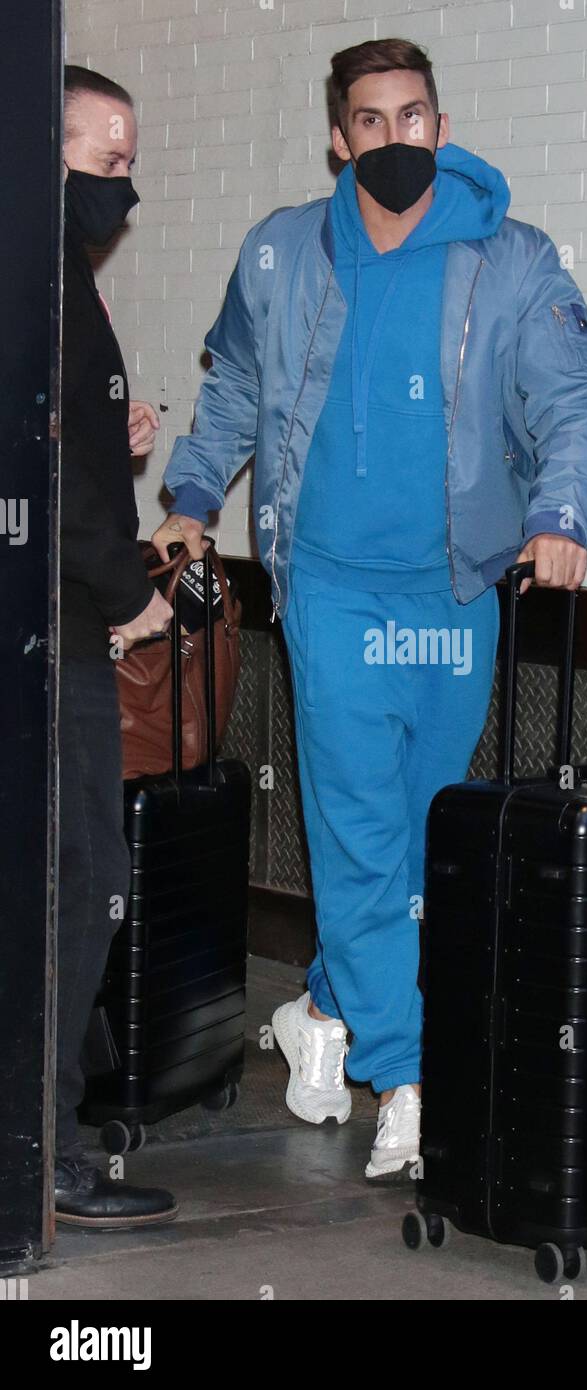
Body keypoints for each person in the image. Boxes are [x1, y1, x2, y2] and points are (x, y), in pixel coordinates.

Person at [156, 38, 587, 1183]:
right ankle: (412, 1079)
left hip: (457, 589)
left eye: (413, 118)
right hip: (329, 586)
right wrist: (190, 497)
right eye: (371, 122)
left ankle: (324, 1011)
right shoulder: (282, 252)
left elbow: (580, 399)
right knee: (360, 828)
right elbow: (234, 390)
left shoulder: (510, 262)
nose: (395, 140)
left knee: (421, 838)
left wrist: (563, 509)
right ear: (339, 136)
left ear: (439, 123)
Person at [57, 65, 178, 1227]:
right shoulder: (42, 278)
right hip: (60, 626)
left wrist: (116, 432)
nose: (123, 184)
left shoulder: (53, 279)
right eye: (108, 158)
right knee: (80, 879)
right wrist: (123, 595)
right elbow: (48, 485)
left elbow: (58, 441)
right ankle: (41, 1149)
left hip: (51, 612)